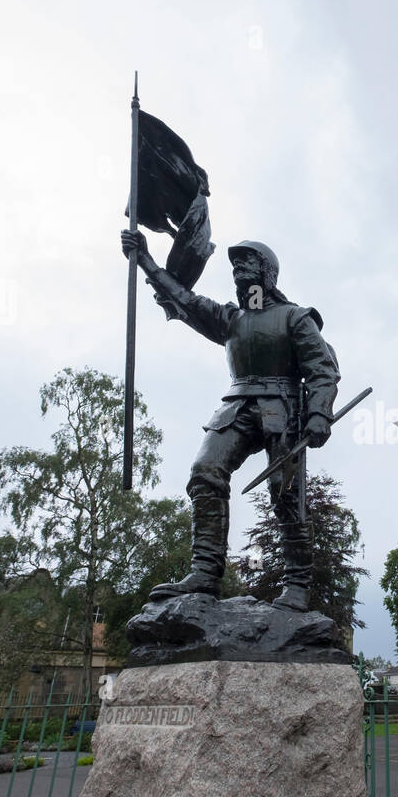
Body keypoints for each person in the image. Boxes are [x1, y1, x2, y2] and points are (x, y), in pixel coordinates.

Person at [120, 229, 339, 611]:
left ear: (268, 272)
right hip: (237, 406)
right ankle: (204, 574)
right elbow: (185, 301)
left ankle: (298, 585)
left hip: (283, 408)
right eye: (235, 265)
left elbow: (322, 369)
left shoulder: (295, 317)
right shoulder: (230, 319)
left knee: (285, 495)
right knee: (205, 471)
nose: (239, 269)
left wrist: (319, 413)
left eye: (247, 262)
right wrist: (147, 261)